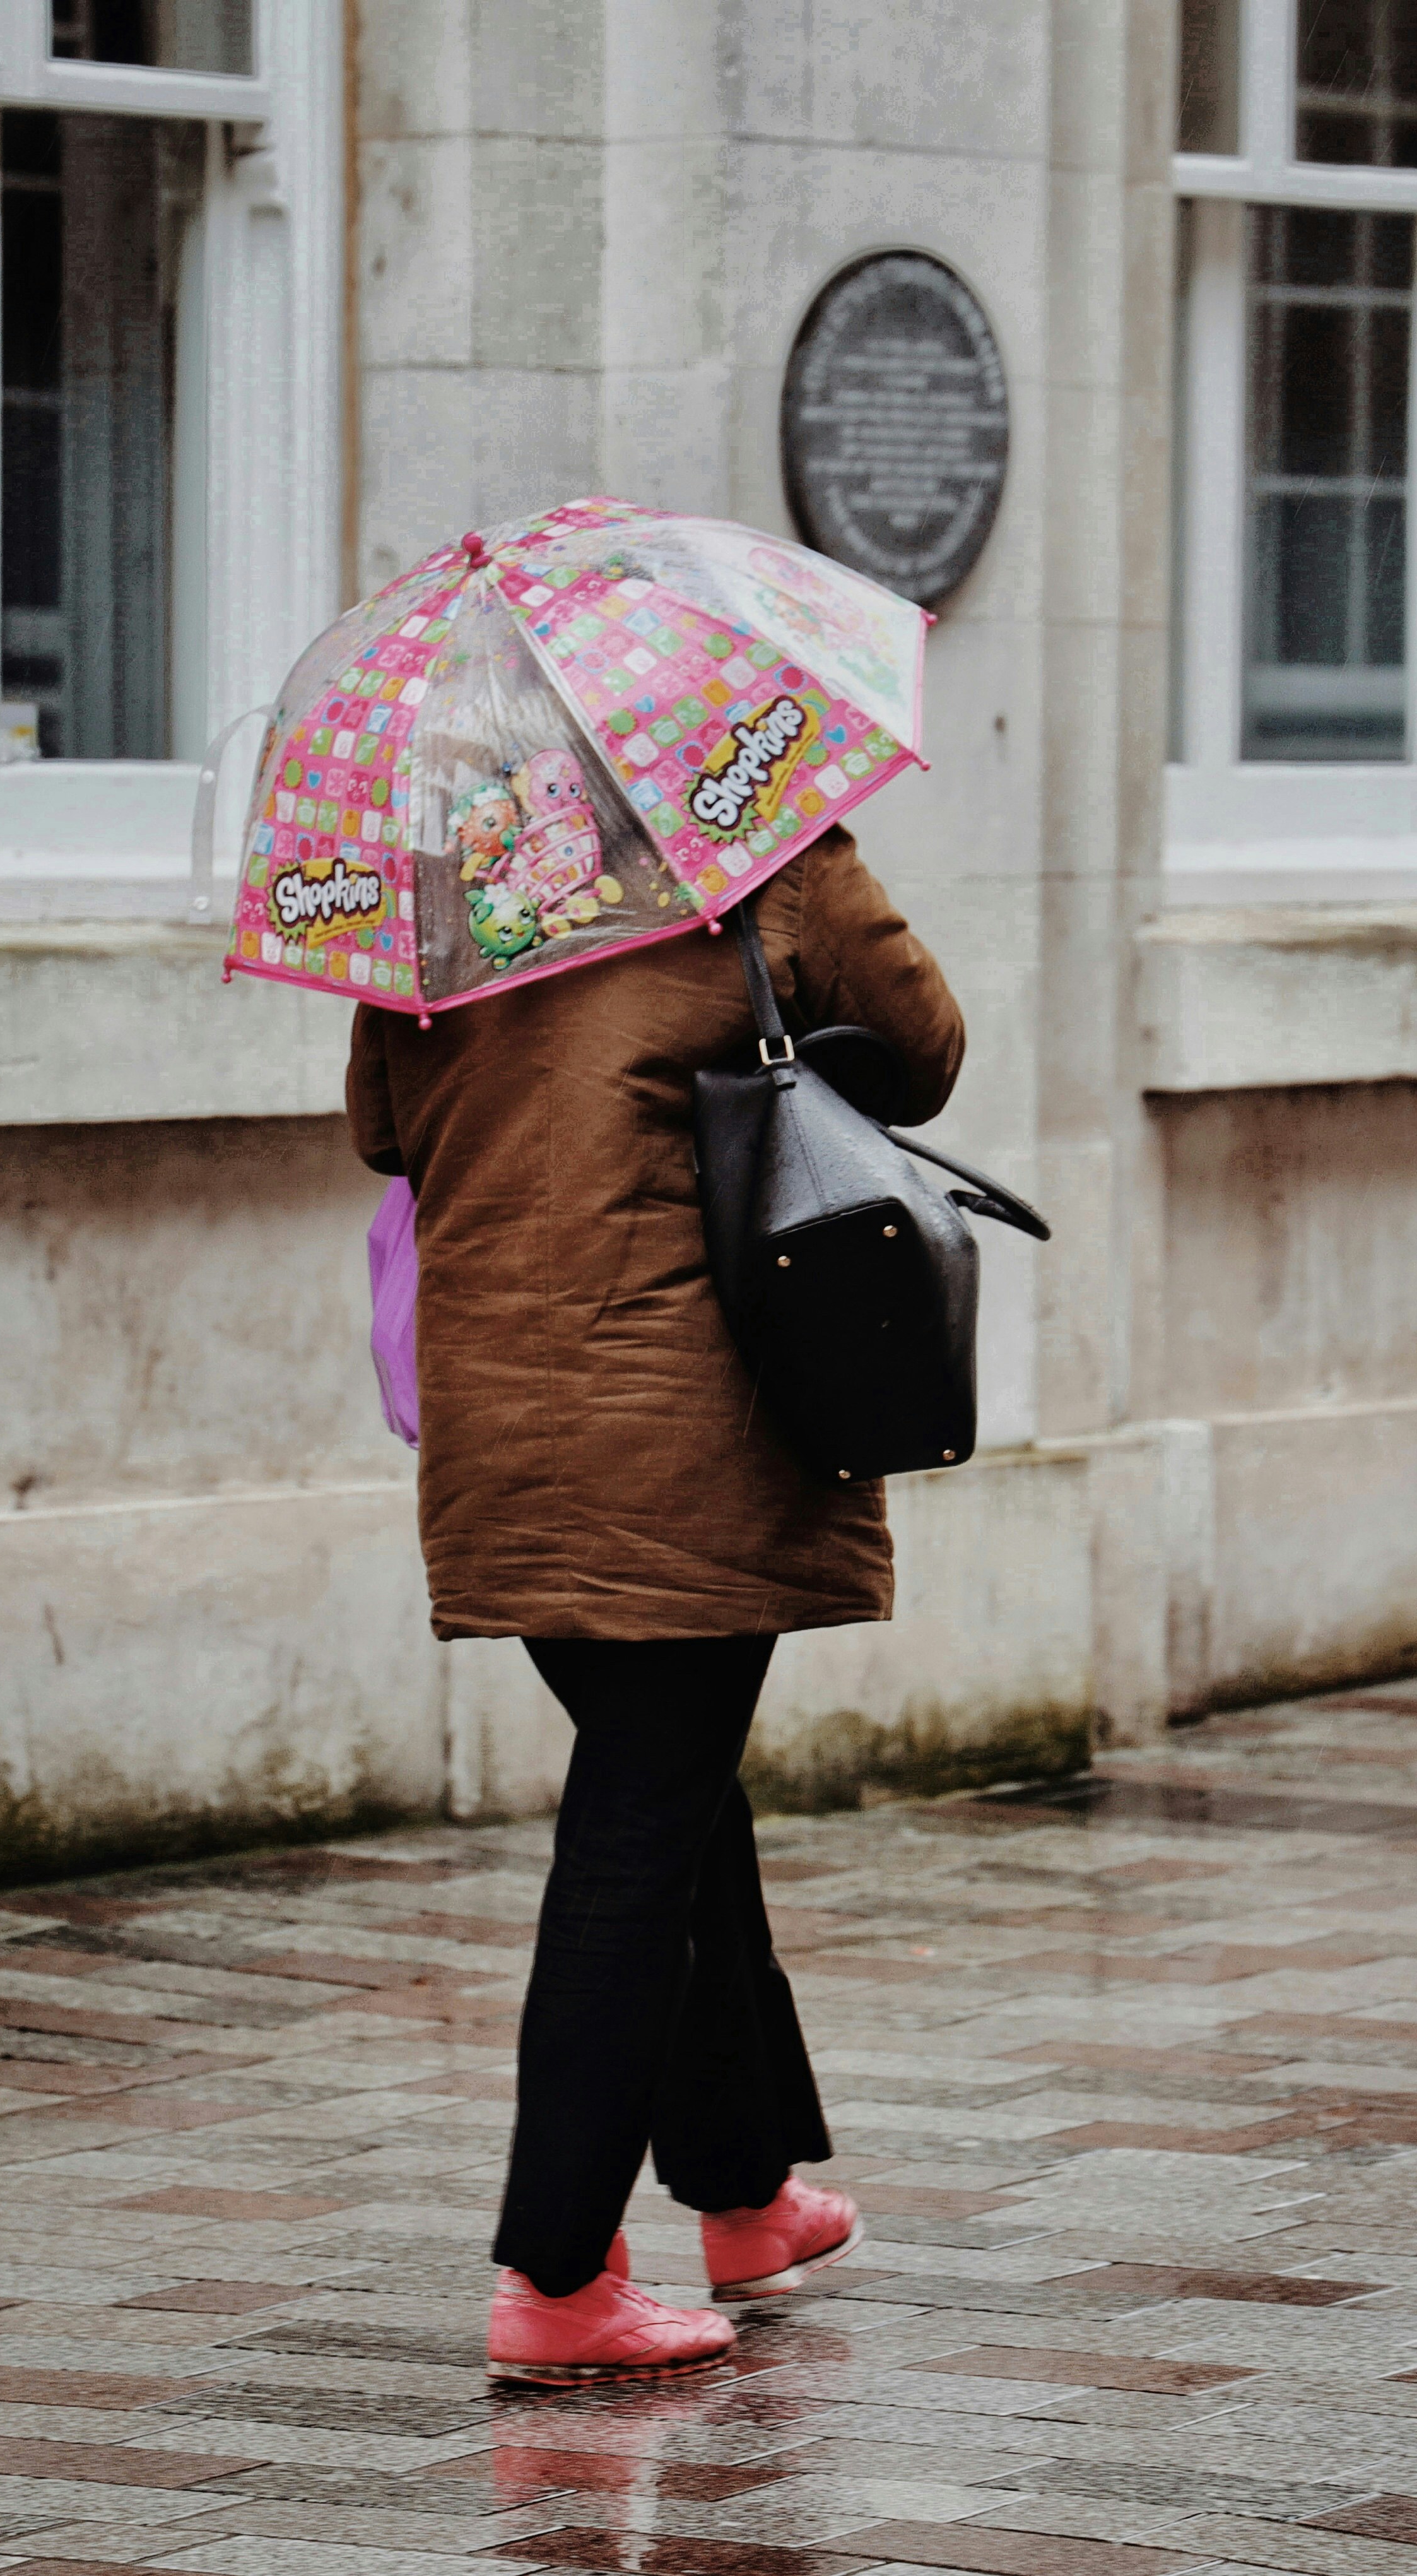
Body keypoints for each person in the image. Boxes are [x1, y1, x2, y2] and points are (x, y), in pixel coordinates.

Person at [346, 826, 965, 2385]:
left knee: (675, 1793)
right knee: (636, 1829)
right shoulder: (762, 856)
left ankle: (744, 2192)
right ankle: (554, 2276)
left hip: (503, 1423)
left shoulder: (436, 883)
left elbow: (378, 1124)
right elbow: (926, 1052)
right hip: (685, 1426)